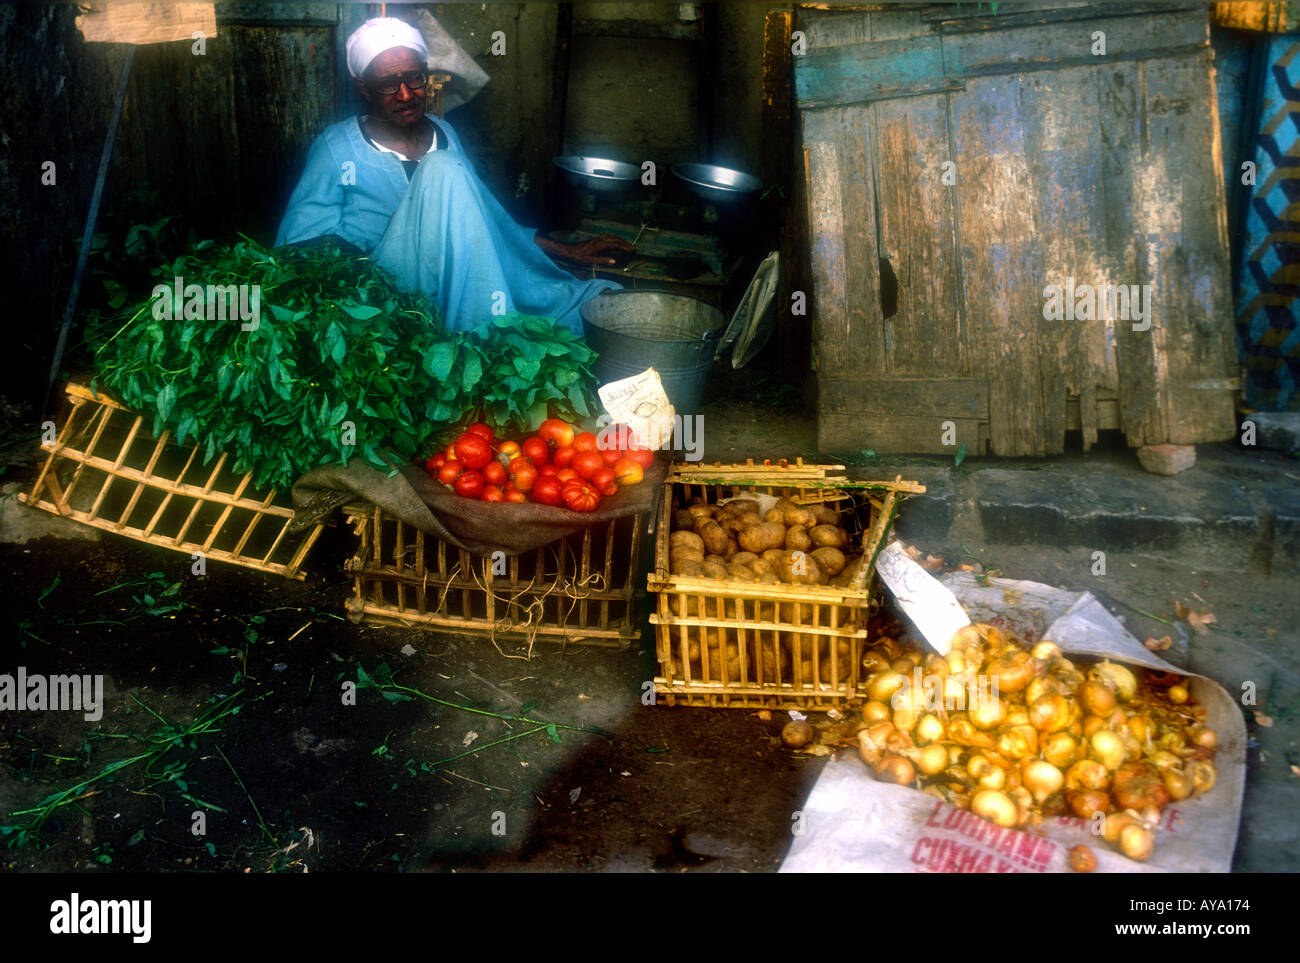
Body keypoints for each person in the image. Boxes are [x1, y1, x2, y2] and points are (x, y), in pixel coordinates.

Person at [275, 17, 631, 334]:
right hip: (382, 285)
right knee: (442, 167)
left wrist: (565, 250)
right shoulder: (337, 148)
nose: (405, 94)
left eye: (414, 78)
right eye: (388, 83)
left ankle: (478, 327)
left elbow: (484, 221)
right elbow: (303, 243)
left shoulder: (444, 134)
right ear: (364, 88)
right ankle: (483, 344)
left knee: (576, 300)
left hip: (455, 276)